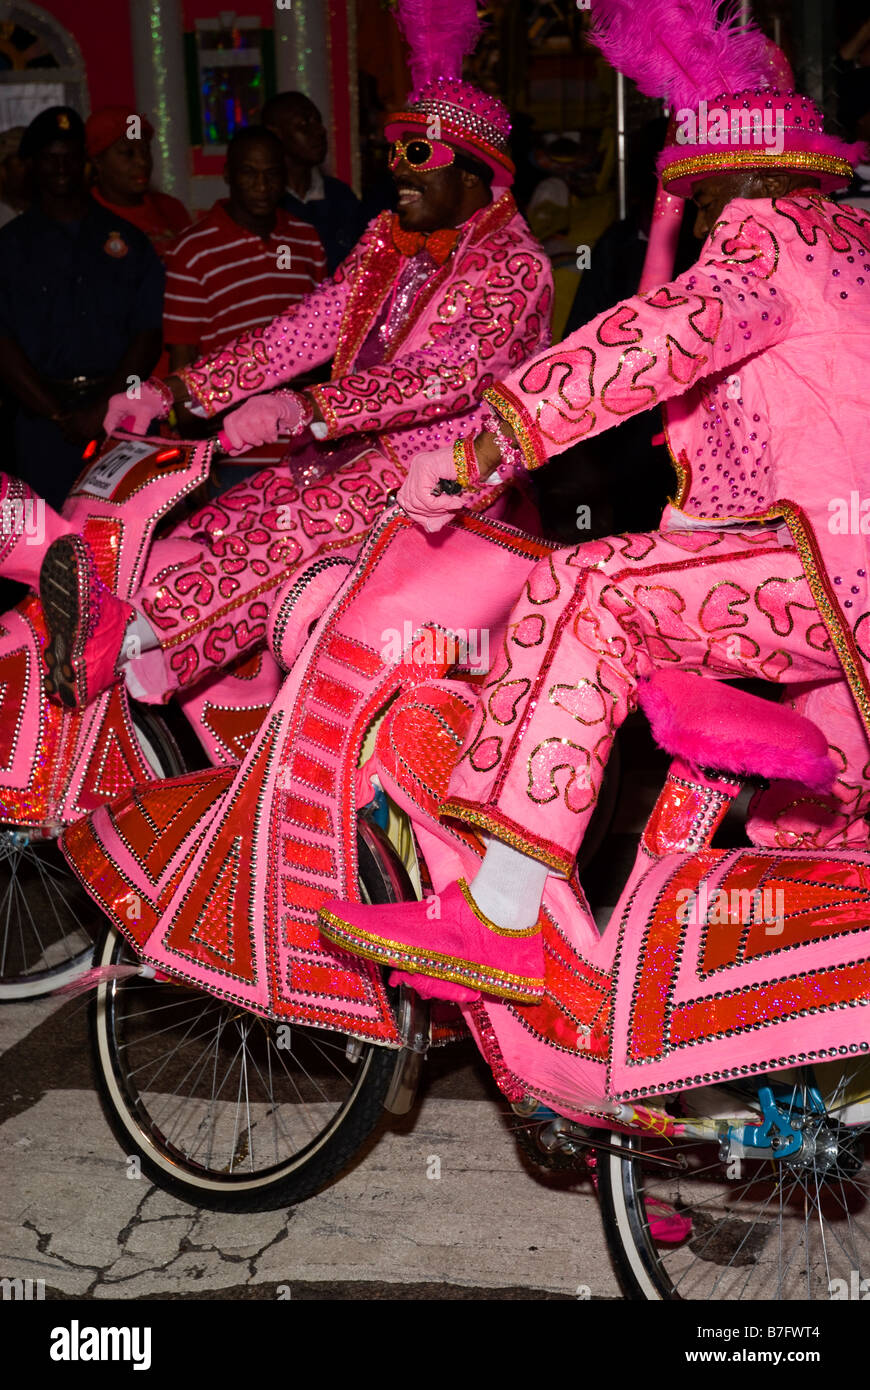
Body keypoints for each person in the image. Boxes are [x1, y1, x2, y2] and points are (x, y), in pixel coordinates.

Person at [318, 3, 870, 1004]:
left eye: (700, 204)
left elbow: (649, 342)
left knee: (587, 585)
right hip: (846, 608)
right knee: (819, 863)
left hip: (821, 578)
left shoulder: (766, 235)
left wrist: (484, 442)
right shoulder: (853, 240)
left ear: (732, 180)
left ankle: (503, 906)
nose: (700, 227)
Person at [38, 13, 553, 709]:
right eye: (393, 154)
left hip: (450, 475)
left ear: (475, 175)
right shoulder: (390, 239)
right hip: (352, 452)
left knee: (290, 530)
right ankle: (193, 702)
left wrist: (305, 407)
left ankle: (128, 639)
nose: (396, 171)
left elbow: (446, 374)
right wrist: (175, 392)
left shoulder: (514, 265)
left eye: (417, 157)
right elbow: (302, 330)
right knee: (221, 516)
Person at [0, 107, 164, 510]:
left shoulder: (129, 242)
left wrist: (102, 410)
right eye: (49, 158)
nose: (61, 167)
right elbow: (2, 344)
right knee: (44, 549)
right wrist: (57, 416)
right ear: (32, 166)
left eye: (70, 157)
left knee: (125, 538)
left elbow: (148, 335)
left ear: (85, 163)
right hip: (41, 426)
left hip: (120, 418)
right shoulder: (9, 247)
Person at [163, 125, 326, 481]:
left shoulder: (306, 238)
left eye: (271, 175)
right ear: (227, 175)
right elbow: (182, 363)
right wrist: (195, 459)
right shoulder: (192, 251)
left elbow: (325, 338)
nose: (262, 186)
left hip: (302, 444)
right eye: (249, 173)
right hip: (230, 451)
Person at [262, 91, 367, 274]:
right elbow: (282, 275)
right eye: (304, 124)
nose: (320, 130)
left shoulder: (340, 197)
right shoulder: (269, 204)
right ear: (276, 135)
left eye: (318, 121)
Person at [87, 106, 191, 261]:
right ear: (98, 161)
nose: (142, 162)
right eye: (128, 153)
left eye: (145, 150)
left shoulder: (170, 209)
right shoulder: (83, 217)